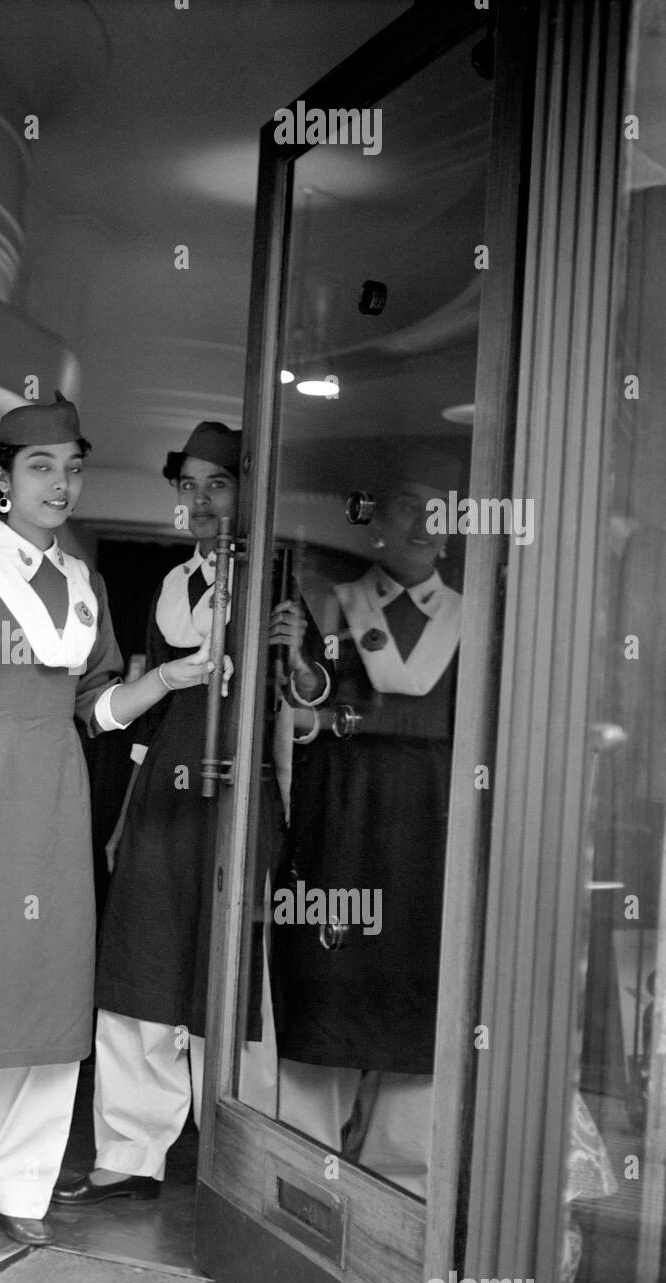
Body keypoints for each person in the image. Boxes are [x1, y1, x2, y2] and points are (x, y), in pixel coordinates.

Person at [0, 394, 215, 1256]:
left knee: (45, 1005)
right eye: (41, 467)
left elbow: (95, 706)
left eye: (73, 467)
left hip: (53, 815)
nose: (61, 484)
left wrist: (171, 681)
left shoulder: (85, 586)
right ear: (0, 479)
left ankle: (16, 1183)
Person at [53, 421, 333, 1205]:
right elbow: (138, 712)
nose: (201, 500)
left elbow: (313, 711)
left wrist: (302, 658)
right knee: (140, 960)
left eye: (217, 484)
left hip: (240, 795)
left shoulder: (287, 583)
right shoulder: (173, 583)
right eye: (188, 486)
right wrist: (123, 813)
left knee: (229, 976)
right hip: (160, 792)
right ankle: (128, 1151)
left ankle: (239, 1160)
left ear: (248, 491)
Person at [271, 460, 462, 1198]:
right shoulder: (330, 606)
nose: (423, 524)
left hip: (431, 828)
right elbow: (305, 712)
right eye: (408, 506)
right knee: (332, 978)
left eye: (439, 513)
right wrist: (299, 671)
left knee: (415, 989)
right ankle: (306, 1166)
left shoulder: (473, 619)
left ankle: (396, 1181)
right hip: (344, 822)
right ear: (376, 524)